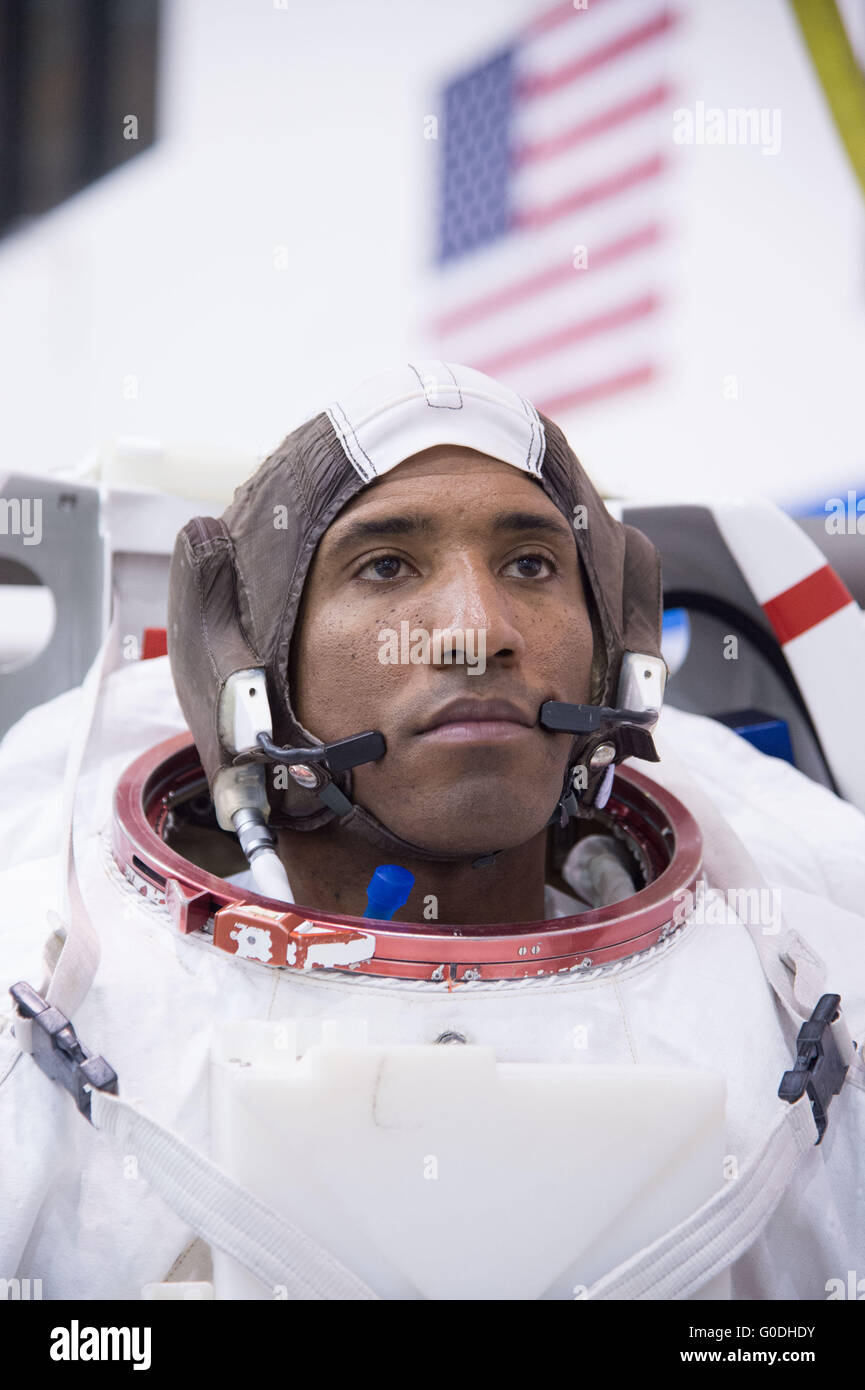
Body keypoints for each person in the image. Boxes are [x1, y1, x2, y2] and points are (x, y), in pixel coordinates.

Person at [1, 361, 864, 1301]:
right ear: (248, 674)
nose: (475, 632)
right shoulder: (55, 1011)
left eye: (530, 564)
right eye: (385, 565)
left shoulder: (797, 1002)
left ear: (615, 657)